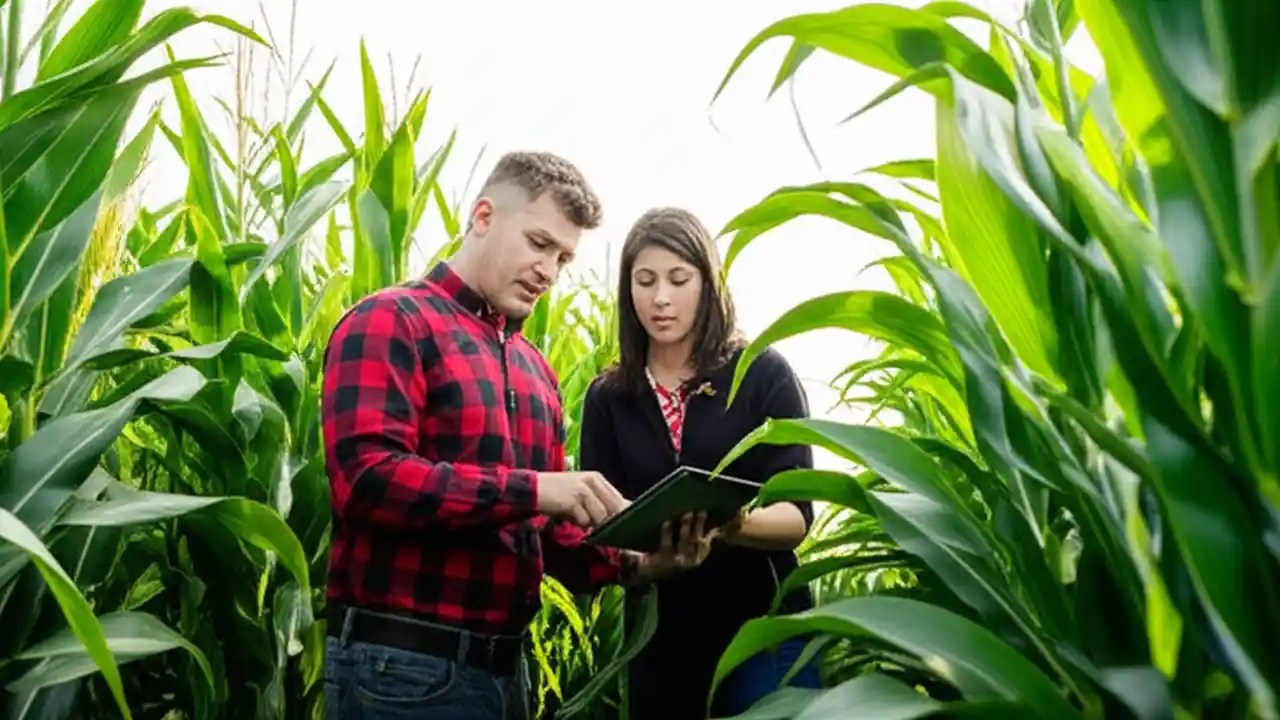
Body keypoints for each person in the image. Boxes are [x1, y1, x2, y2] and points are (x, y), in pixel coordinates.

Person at [321, 153, 710, 720]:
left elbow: (550, 540)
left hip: (506, 673)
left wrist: (642, 563)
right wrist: (535, 490)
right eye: (537, 243)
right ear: (483, 216)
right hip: (401, 668)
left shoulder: (535, 371)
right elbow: (367, 480)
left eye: (563, 258)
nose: (548, 271)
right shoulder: (392, 320)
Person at [579, 207, 824, 719]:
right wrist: (650, 556)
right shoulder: (609, 396)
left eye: (678, 279)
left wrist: (731, 525)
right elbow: (602, 522)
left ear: (708, 284)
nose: (660, 298)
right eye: (644, 281)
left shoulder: (761, 373)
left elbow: (796, 517)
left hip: (765, 632)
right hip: (659, 641)